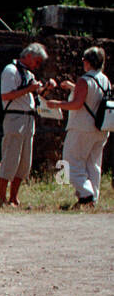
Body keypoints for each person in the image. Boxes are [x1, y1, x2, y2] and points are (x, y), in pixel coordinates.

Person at [43, 46, 111, 205]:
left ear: (86, 61)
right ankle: (93, 197)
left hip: (82, 127)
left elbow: (77, 104)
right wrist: (74, 87)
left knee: (71, 161)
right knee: (93, 164)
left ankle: (86, 194)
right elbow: (93, 96)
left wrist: (56, 104)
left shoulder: (84, 80)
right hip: (101, 128)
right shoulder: (105, 80)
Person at [0, 42, 53, 206]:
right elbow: (6, 95)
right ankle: (1, 197)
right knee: (10, 157)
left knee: (24, 161)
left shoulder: (27, 74)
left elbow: (36, 94)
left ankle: (14, 197)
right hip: (15, 118)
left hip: (28, 118)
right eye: (37, 61)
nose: (38, 65)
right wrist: (30, 89)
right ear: (29, 56)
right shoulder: (11, 70)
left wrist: (46, 88)